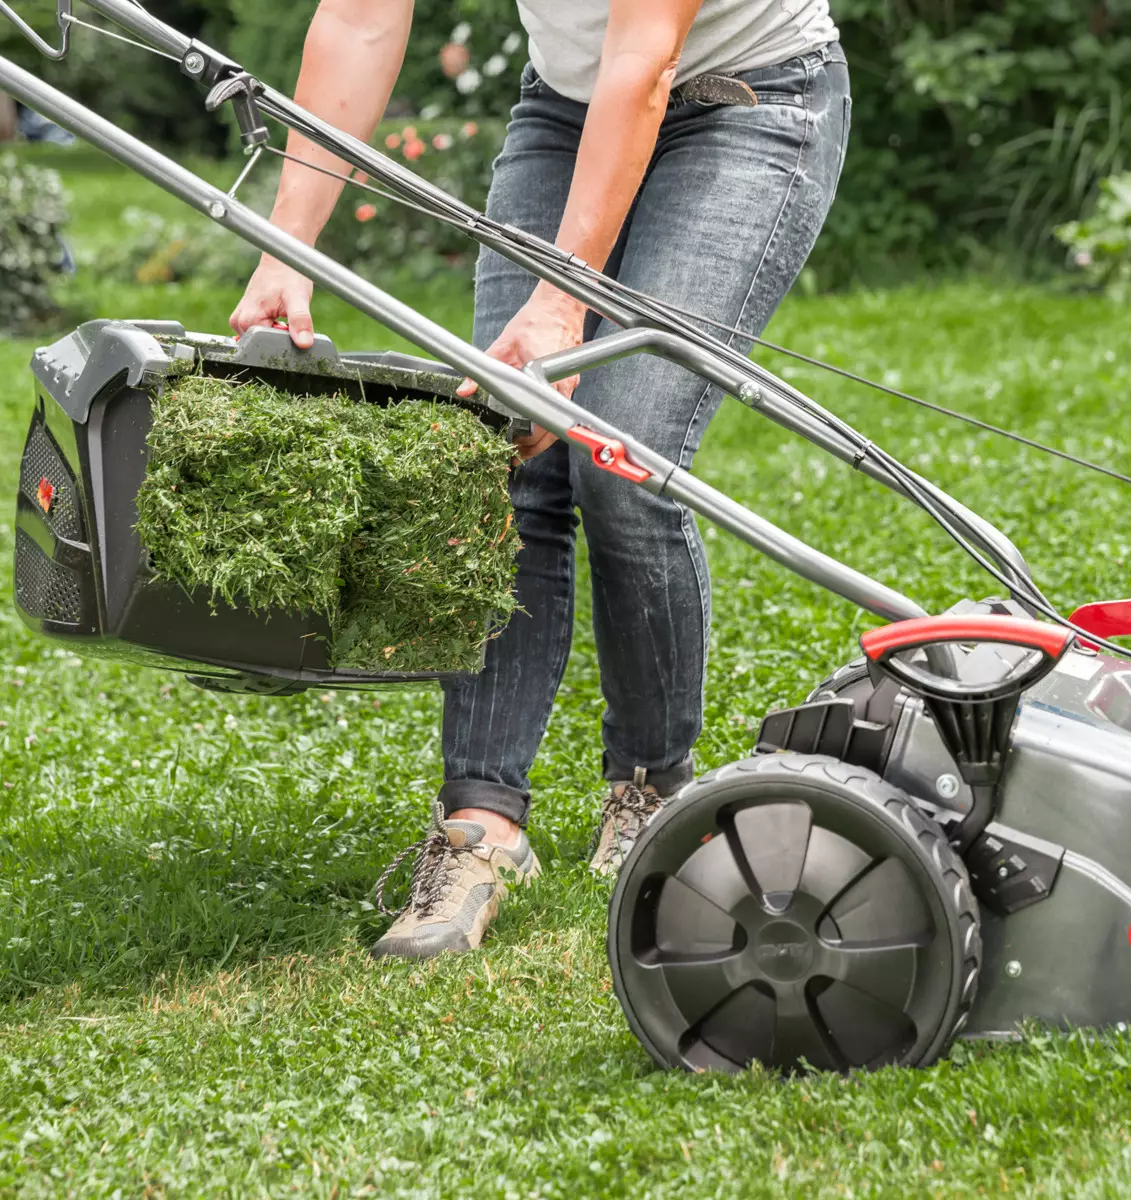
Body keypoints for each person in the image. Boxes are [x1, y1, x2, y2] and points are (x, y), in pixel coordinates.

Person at [230, 0, 850, 960]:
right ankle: (481, 826)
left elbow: (645, 57)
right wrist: (289, 252)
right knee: (502, 456)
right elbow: (358, 20)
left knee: (622, 455)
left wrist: (561, 301)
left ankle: (651, 791)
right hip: (565, 111)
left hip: (749, 103)